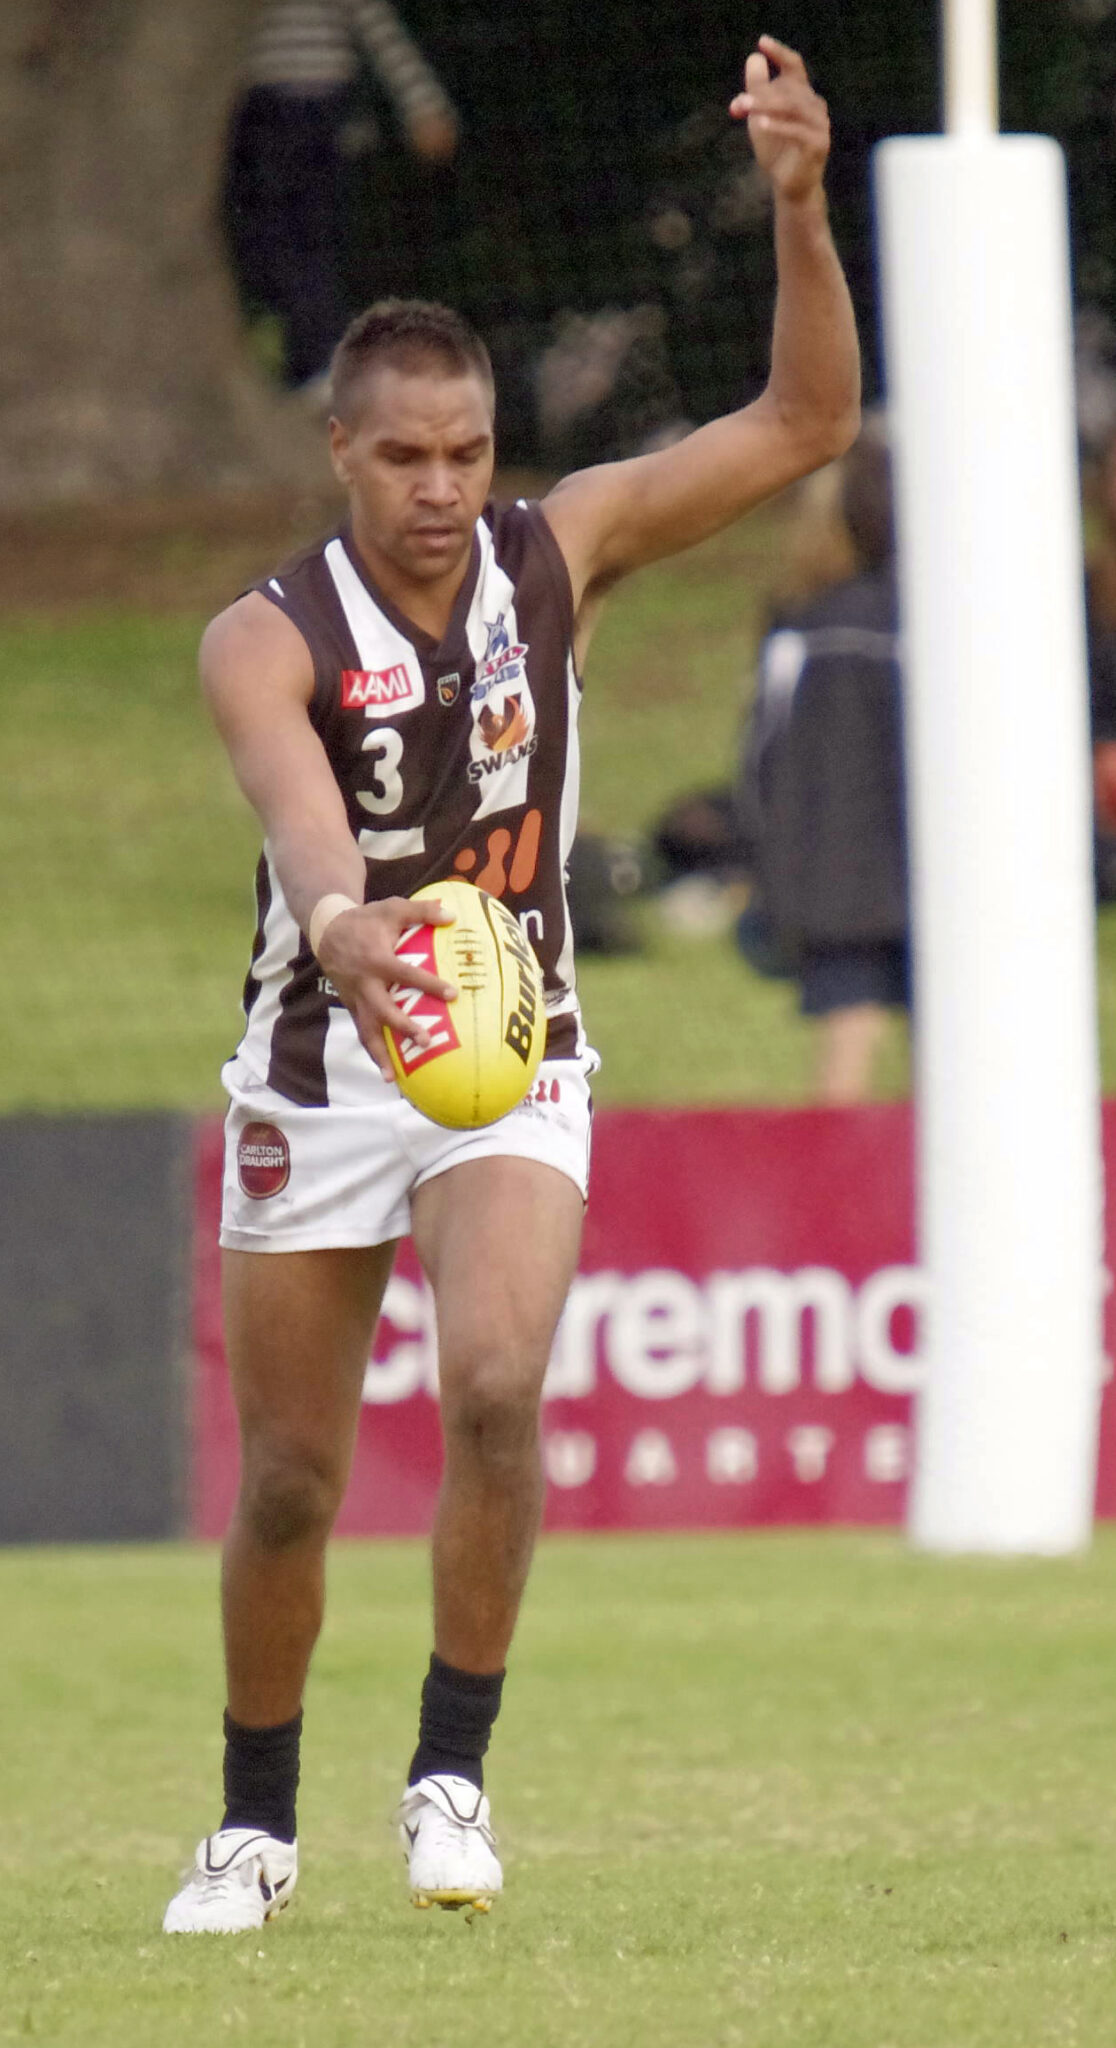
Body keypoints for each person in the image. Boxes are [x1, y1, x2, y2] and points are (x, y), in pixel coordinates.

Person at [163, 35, 860, 1934]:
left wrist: (798, 203)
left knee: (493, 1385)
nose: (442, 489)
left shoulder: (559, 555)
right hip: (320, 1056)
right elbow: (304, 817)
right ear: (339, 449)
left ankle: (451, 1779)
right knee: (294, 1481)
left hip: (514, 1046)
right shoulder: (263, 632)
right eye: (405, 455)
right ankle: (250, 1825)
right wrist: (339, 922)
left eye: (467, 452)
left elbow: (804, 426)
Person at [737, 422, 907, 1104]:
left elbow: (760, 763)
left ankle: (840, 1198)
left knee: (846, 1057)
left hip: (832, 889)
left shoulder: (796, 631)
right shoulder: (933, 626)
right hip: (934, 880)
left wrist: (765, 857)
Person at [224, 0, 459, 396]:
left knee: (306, 237)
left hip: (316, 102)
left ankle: (319, 361)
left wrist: (423, 106)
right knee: (277, 238)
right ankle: (310, 359)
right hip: (265, 102)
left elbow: (377, 27)